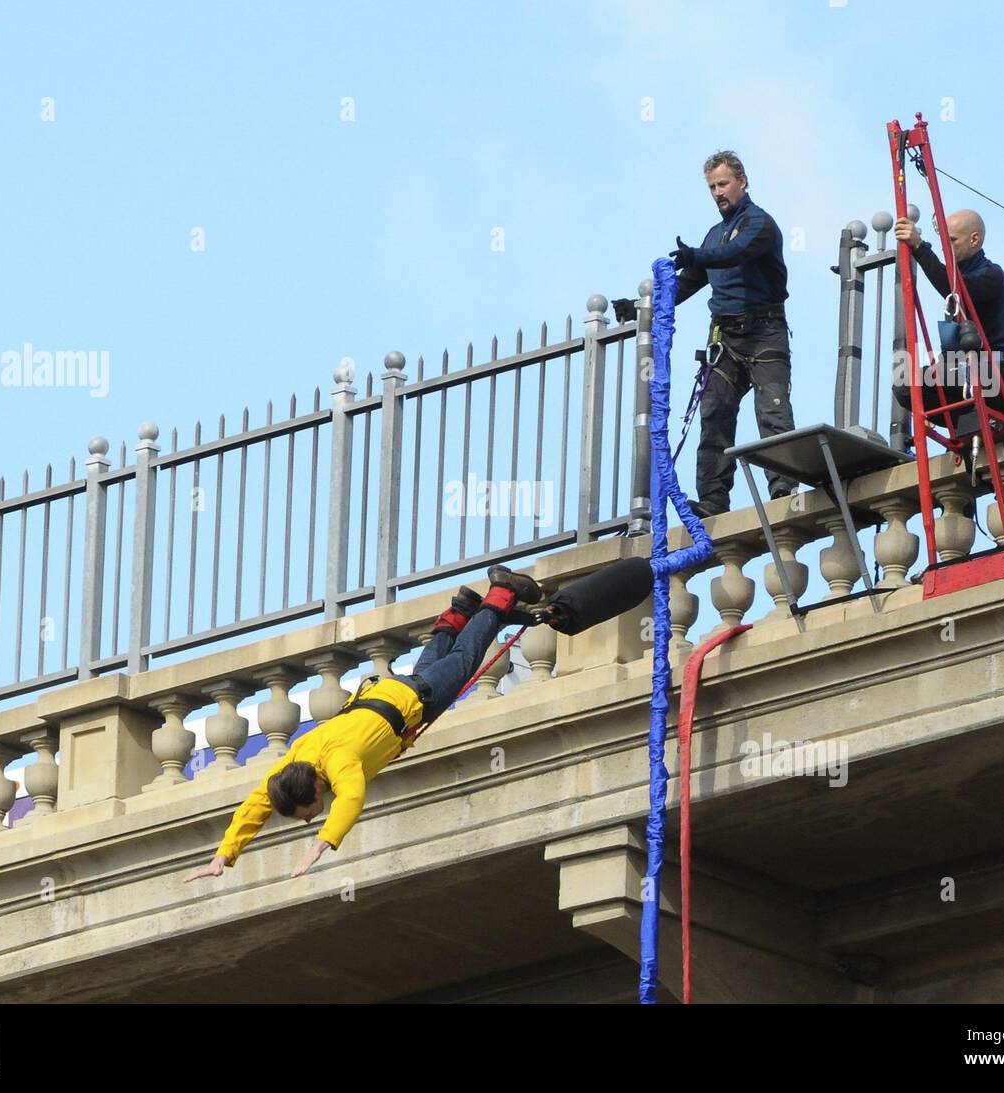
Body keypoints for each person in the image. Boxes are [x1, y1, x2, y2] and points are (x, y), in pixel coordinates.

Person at [183, 565, 543, 882]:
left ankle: (501, 592)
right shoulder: (293, 763)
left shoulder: (338, 761)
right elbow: (254, 808)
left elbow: (352, 798)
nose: (308, 820)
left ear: (314, 791)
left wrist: (321, 844)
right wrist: (224, 855)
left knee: (465, 658)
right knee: (433, 665)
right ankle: (461, 609)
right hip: (388, 693)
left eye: (306, 815)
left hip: (414, 702)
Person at [616, 150, 799, 517]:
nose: (718, 192)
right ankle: (714, 501)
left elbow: (736, 252)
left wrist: (698, 255)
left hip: (765, 333)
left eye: (723, 184)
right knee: (714, 415)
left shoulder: (759, 224)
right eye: (712, 186)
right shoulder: (715, 236)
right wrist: (640, 308)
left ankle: (783, 490)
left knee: (773, 412)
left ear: (742, 182)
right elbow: (688, 282)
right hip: (725, 340)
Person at [892, 209, 1004, 437]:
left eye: (952, 241)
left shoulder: (992, 276)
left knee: (919, 382)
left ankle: (980, 421)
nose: (946, 248)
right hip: (966, 374)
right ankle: (967, 424)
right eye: (943, 241)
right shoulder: (956, 281)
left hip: (997, 377)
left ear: (974, 240)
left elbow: (956, 289)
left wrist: (920, 248)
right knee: (906, 386)